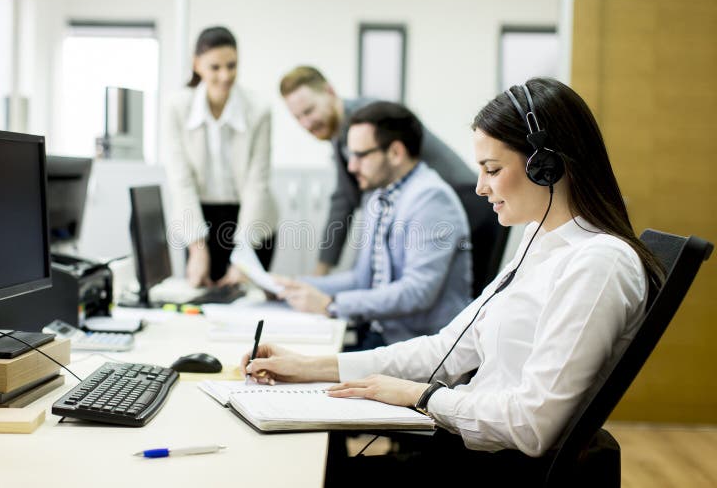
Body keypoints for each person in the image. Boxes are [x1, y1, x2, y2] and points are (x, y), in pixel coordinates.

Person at [244, 78, 664, 483]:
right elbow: (445, 349)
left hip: (494, 465)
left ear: (545, 166)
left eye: (493, 169)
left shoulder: (599, 263)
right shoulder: (541, 244)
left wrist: (419, 396)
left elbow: (533, 426)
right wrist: (309, 367)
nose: (480, 188)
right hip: (463, 446)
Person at [277, 101, 472, 349]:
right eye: (349, 155)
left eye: (360, 155)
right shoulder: (378, 196)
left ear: (395, 153)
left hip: (416, 346)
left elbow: (417, 292)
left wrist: (331, 304)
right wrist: (296, 286)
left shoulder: (432, 200)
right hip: (378, 336)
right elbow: (362, 278)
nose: (351, 167)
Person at [279, 66, 477, 276]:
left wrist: (338, 281)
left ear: (330, 92)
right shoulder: (341, 134)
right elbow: (344, 199)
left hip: (466, 202)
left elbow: (358, 202)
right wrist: (323, 274)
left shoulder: (367, 121)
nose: (306, 123)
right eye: (297, 117)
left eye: (309, 111)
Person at [162, 26, 277, 287]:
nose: (225, 75)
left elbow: (257, 183)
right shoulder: (177, 107)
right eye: (215, 67)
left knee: (244, 300)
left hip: (252, 218)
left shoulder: (259, 110)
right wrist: (197, 246)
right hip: (198, 218)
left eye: (232, 65)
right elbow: (181, 181)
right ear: (197, 64)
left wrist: (244, 253)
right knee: (203, 299)